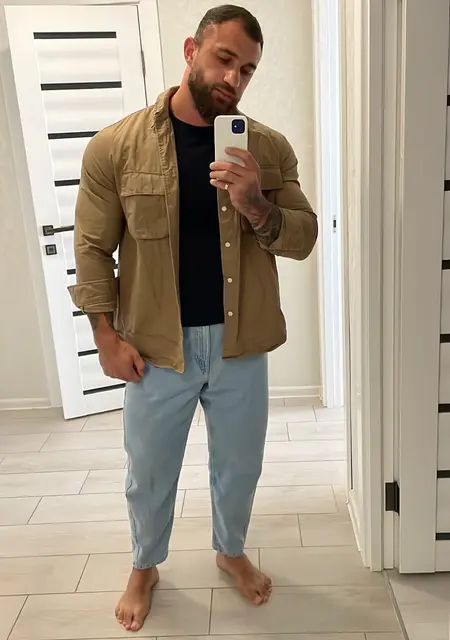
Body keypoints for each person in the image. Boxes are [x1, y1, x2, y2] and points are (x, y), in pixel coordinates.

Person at [69, 3, 317, 632]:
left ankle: (230, 551)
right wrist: (104, 336)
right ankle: (145, 565)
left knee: (239, 465)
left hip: (241, 343)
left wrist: (256, 203)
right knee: (149, 471)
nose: (234, 78)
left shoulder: (267, 148)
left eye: (248, 69)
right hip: (156, 346)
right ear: (191, 50)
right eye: (224, 59)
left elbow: (304, 237)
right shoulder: (115, 147)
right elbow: (93, 249)